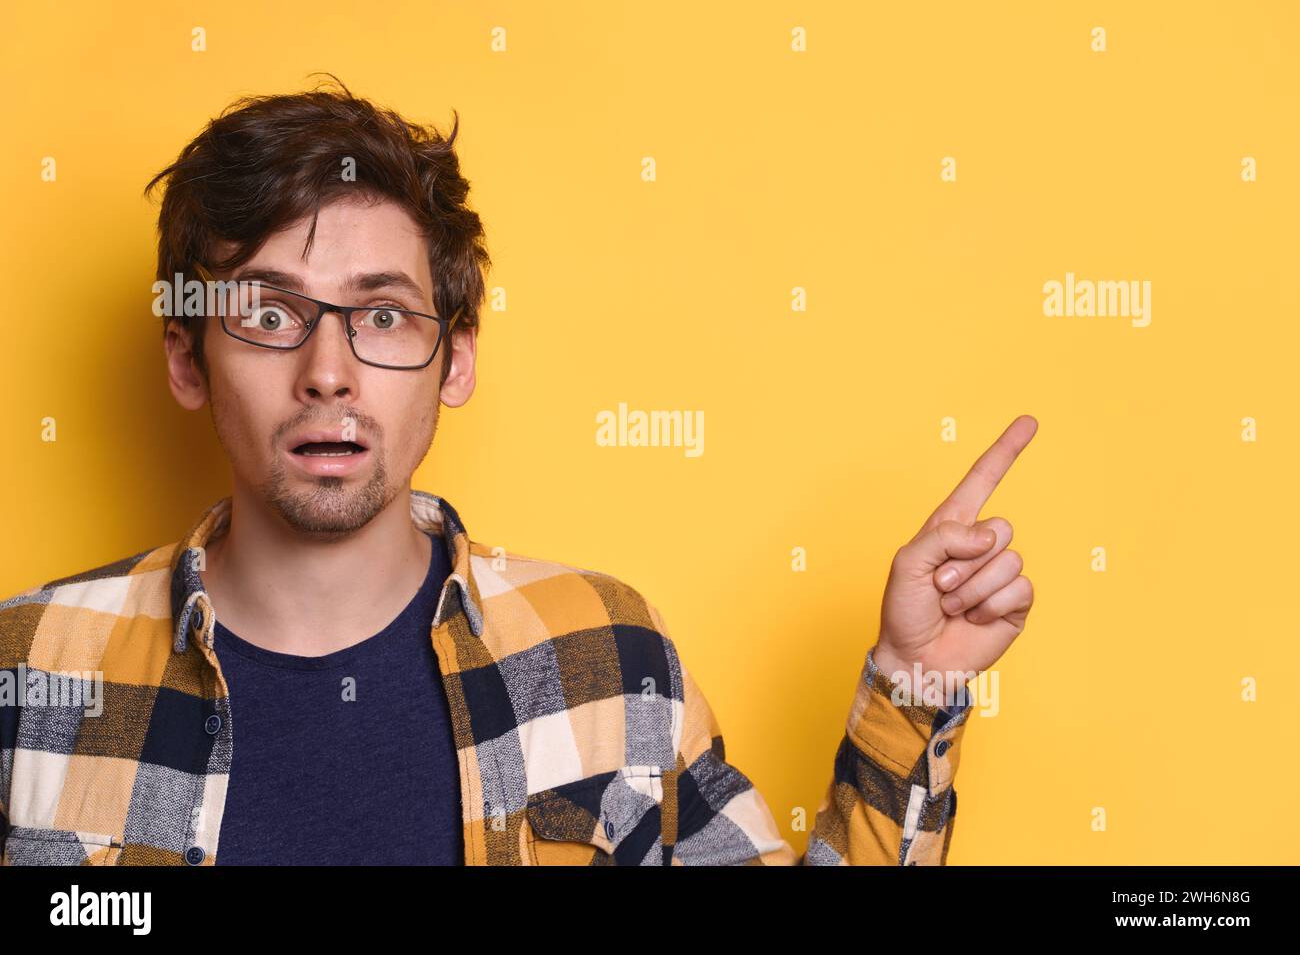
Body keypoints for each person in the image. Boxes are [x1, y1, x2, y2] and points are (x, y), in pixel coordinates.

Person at [0, 78, 1036, 866]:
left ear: (455, 360)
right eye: (269, 315)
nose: (329, 372)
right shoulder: (29, 672)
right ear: (187, 358)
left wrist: (912, 682)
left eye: (383, 316)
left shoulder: (606, 658)